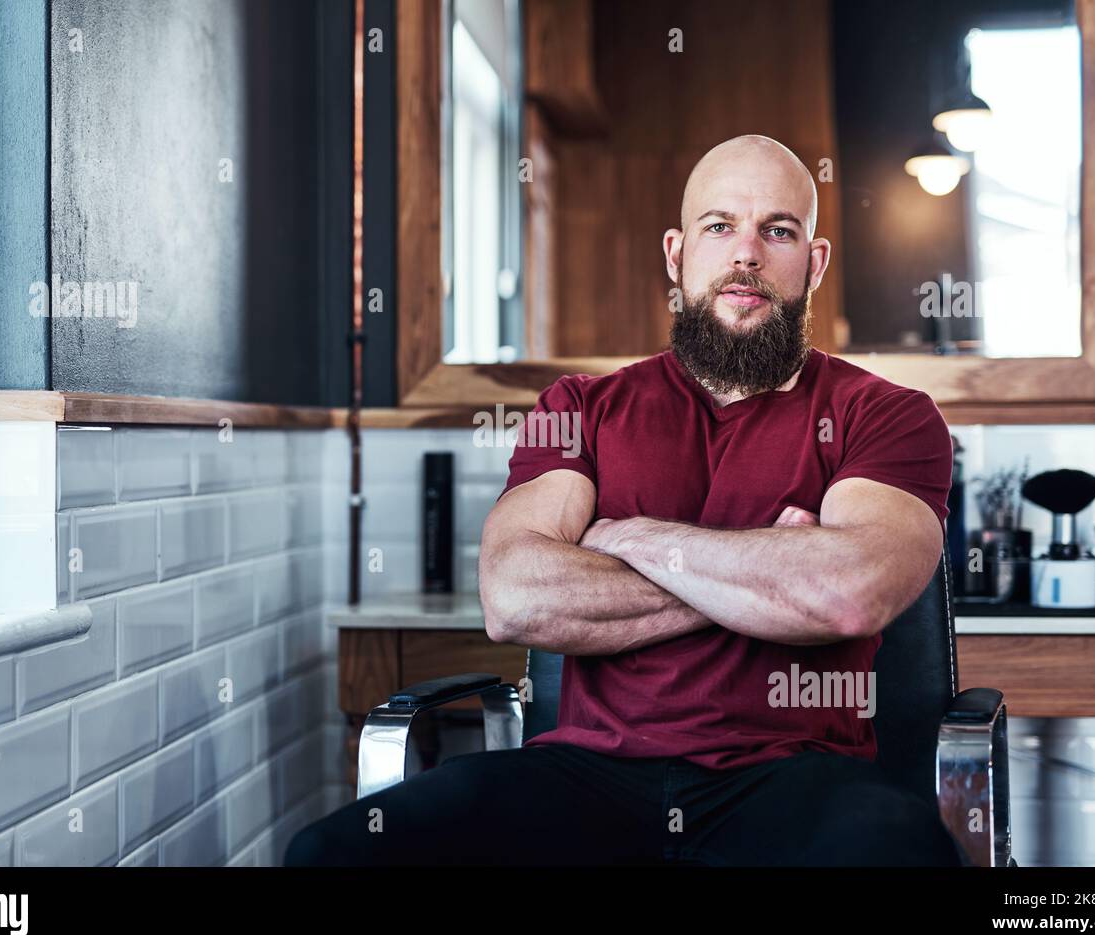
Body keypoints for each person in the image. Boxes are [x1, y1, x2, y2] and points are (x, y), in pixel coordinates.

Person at [285, 135, 965, 867]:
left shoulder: (888, 415)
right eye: (719, 226)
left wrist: (623, 536)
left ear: (815, 260)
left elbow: (846, 594)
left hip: (795, 779)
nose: (747, 254)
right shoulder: (577, 407)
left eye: (777, 229)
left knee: (900, 851)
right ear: (676, 254)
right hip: (585, 776)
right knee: (331, 852)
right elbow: (512, 596)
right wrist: (772, 570)